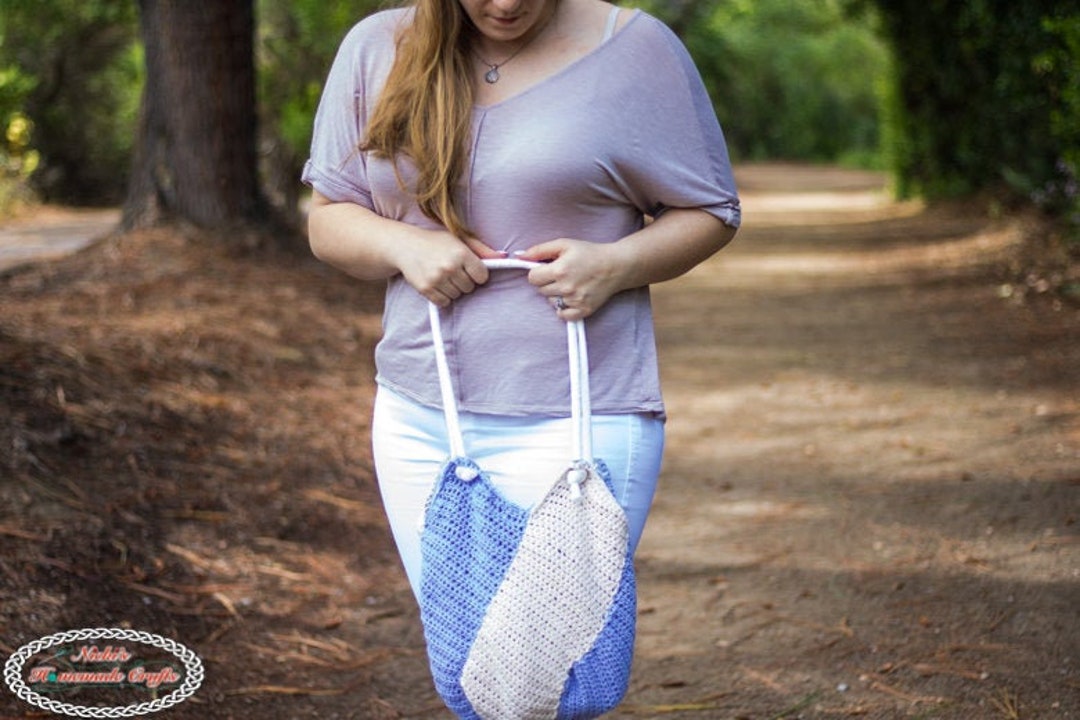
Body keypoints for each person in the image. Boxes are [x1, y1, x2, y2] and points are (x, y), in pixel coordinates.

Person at [303, 0, 739, 711]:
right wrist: (404, 244)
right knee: (476, 677)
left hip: (580, 417)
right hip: (419, 417)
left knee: (537, 687)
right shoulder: (375, 47)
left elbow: (712, 210)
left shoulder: (636, 49)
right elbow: (328, 217)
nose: (505, 4)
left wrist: (617, 264)